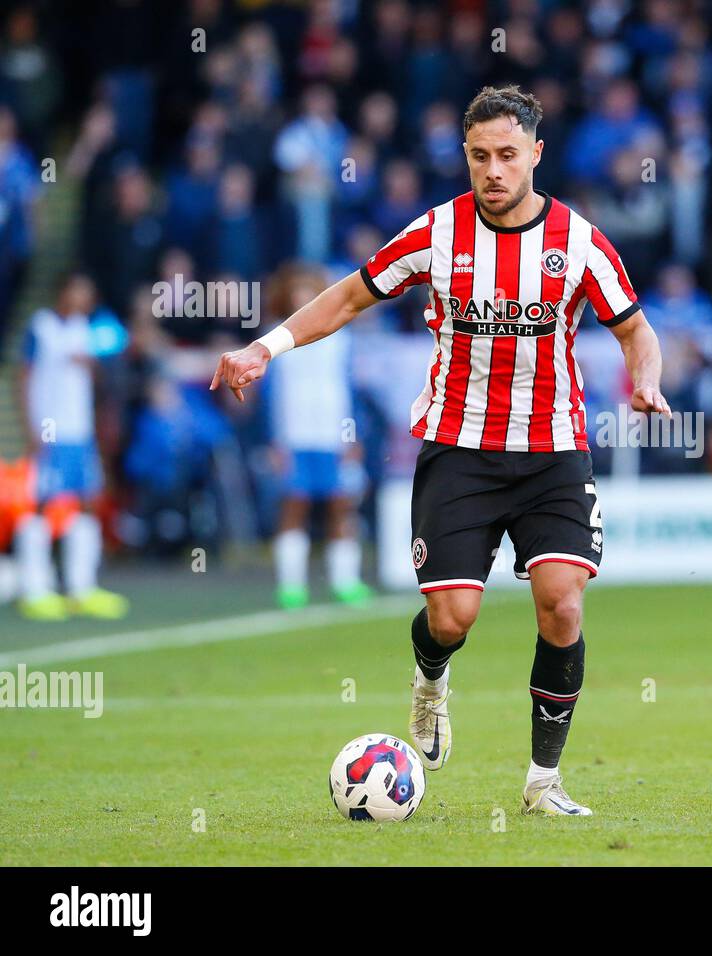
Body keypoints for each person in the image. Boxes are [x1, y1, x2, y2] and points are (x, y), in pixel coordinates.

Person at [211, 85, 669, 816]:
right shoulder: (434, 234)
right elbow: (349, 297)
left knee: (561, 602)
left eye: (508, 156)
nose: (493, 170)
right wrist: (268, 346)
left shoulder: (578, 242)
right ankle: (431, 678)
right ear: (465, 156)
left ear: (535, 156)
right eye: (480, 156)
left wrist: (645, 380)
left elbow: (635, 328)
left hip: (553, 452)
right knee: (453, 618)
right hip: (458, 449)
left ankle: (544, 782)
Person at [15, 272, 129, 621]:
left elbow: (99, 376)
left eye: (87, 293)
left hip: (79, 432)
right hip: (50, 431)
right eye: (77, 292)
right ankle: (35, 588)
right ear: (62, 292)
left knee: (86, 504)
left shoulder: (88, 331)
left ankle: (81, 587)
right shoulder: (42, 327)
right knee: (41, 505)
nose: (82, 299)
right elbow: (23, 377)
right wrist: (31, 426)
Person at [265, 263, 372, 609]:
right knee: (294, 505)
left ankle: (345, 582)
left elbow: (351, 392)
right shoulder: (273, 338)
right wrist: (274, 442)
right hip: (293, 438)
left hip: (333, 436)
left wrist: (351, 437)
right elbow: (270, 397)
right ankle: (291, 587)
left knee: (341, 507)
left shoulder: (340, 339)